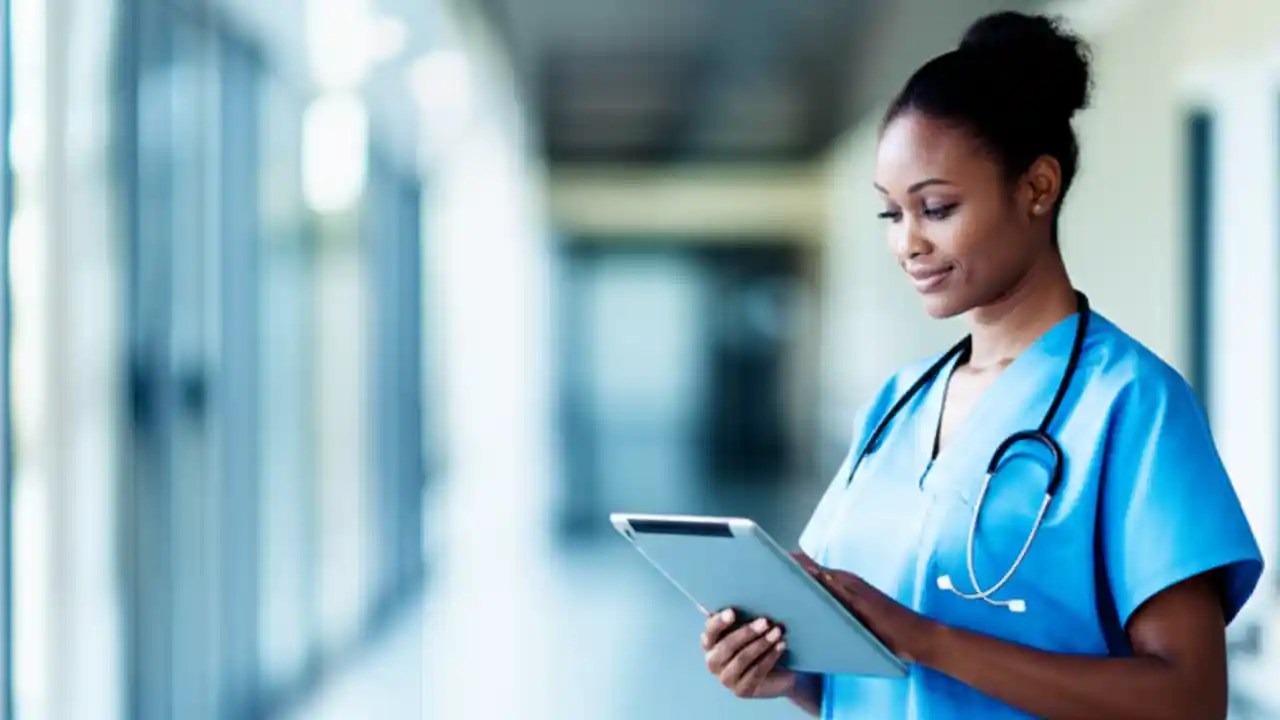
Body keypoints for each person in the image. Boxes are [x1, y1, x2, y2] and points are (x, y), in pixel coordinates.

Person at [698, 10, 1263, 719]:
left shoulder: (1131, 404)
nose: (908, 243)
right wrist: (785, 672)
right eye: (890, 215)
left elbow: (1189, 698)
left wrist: (931, 640)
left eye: (935, 207)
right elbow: (869, 671)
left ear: (1037, 187)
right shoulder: (897, 404)